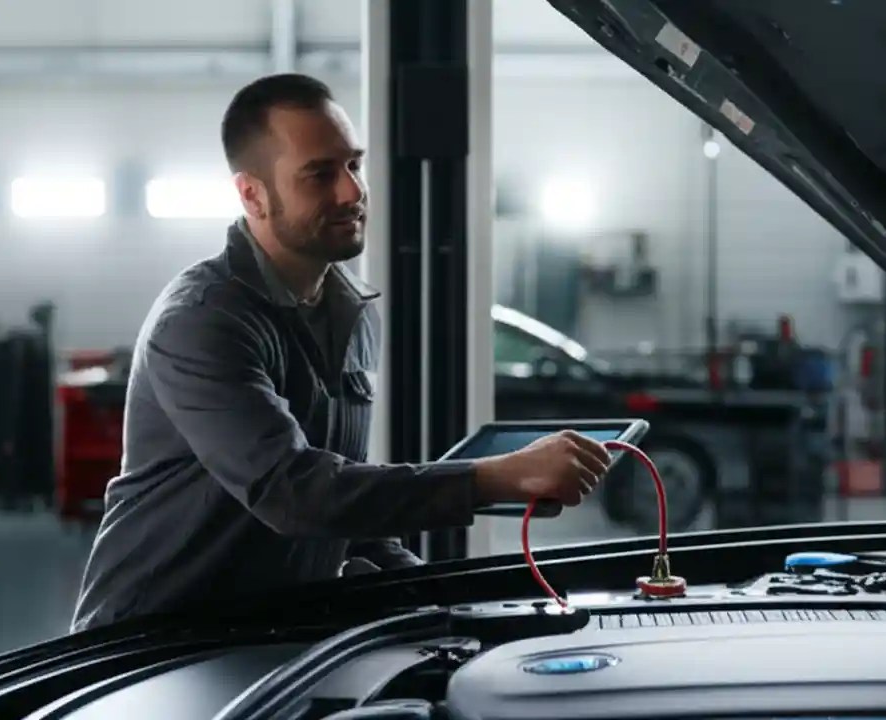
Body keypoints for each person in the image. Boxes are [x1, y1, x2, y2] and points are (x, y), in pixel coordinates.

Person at [70, 74, 611, 632]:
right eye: (319, 174)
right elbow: (294, 491)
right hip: (147, 646)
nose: (351, 191)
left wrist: (435, 596)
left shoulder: (349, 311)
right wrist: (493, 478)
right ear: (252, 194)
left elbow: (341, 497)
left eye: (352, 165)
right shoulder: (204, 319)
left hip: (263, 634)